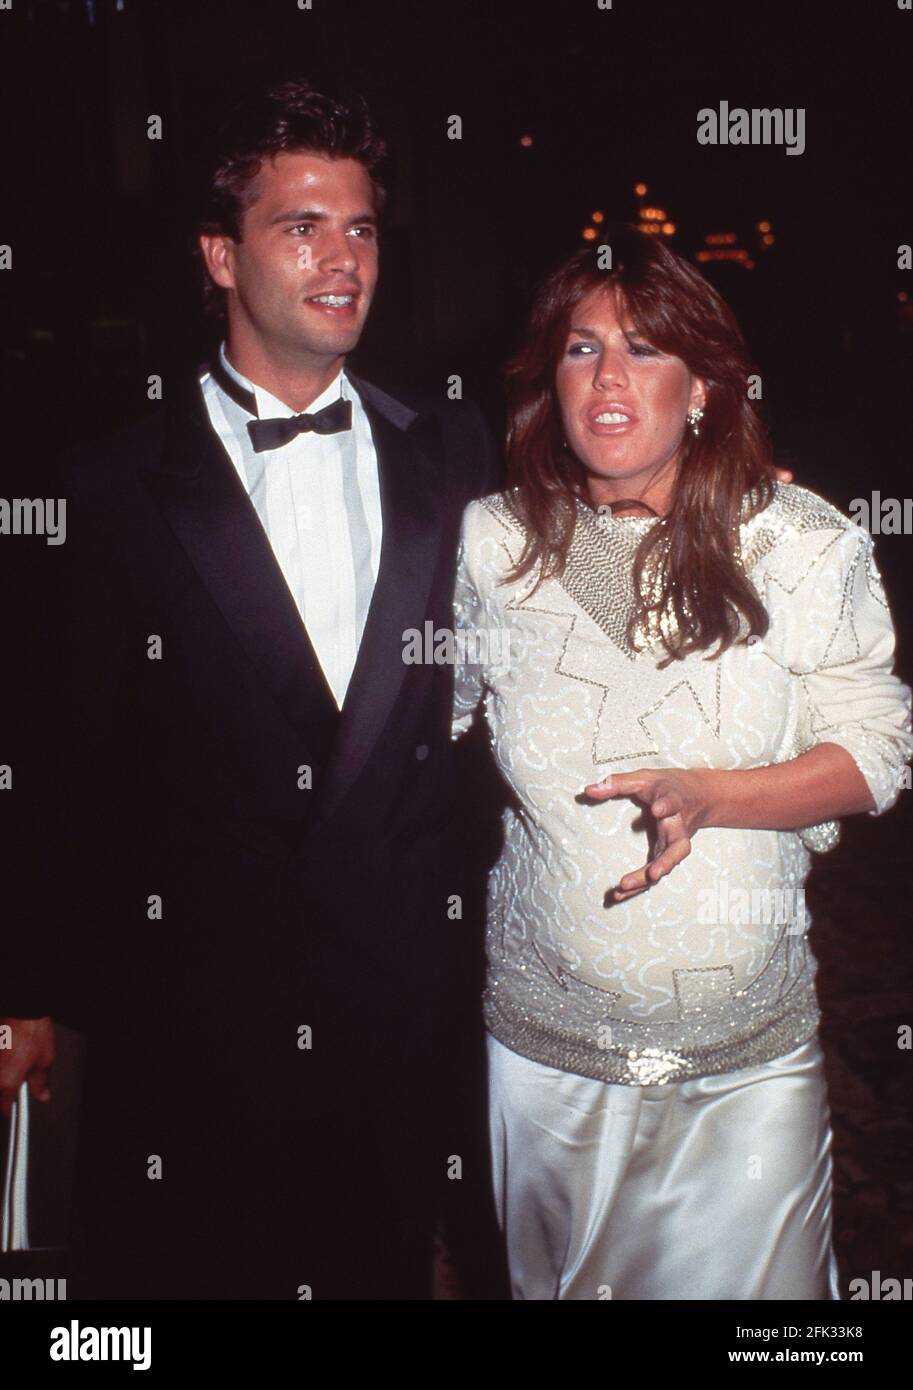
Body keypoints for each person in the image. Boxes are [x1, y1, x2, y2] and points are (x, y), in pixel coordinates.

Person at [0, 79, 499, 1299]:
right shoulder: (111, 484)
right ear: (220, 256)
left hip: (398, 1004)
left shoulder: (453, 453)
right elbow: (49, 755)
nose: (343, 261)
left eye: (363, 229)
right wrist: (21, 990)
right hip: (195, 1010)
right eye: (302, 227)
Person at [451, 226, 913, 1300]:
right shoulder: (488, 544)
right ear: (548, 381)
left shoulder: (804, 542)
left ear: (702, 384)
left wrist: (714, 796)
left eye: (645, 349)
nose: (608, 377)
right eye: (580, 348)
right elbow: (420, 723)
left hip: (745, 1063)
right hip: (544, 1056)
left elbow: (881, 747)